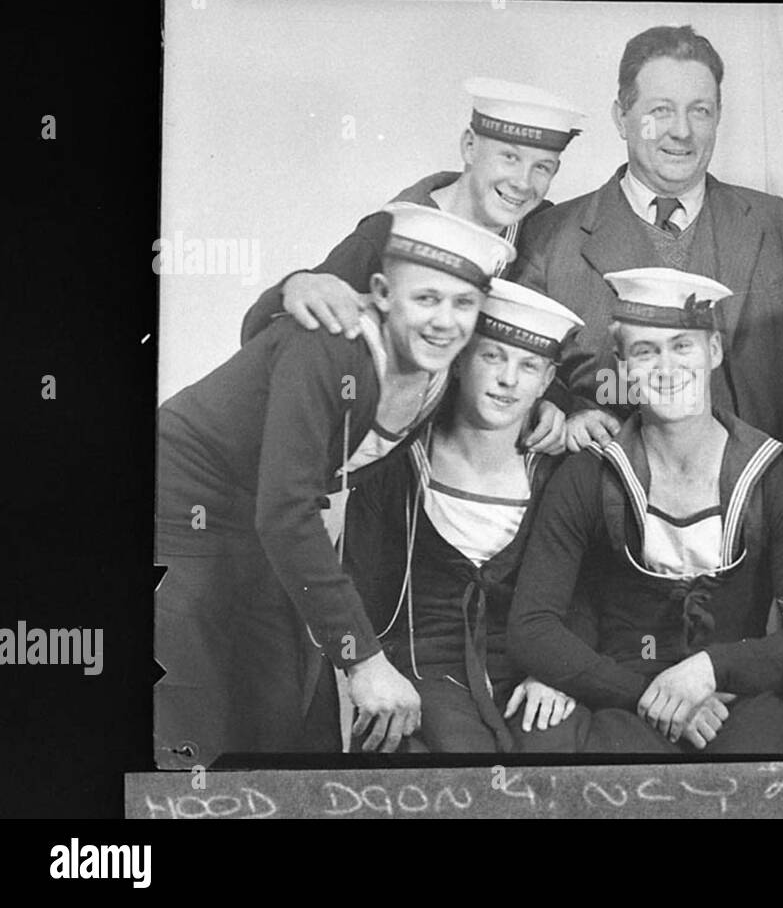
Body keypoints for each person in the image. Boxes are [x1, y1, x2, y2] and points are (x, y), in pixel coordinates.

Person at [154, 205, 514, 766]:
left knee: (286, 703)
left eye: (463, 304)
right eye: (426, 298)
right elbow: (286, 512)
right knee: (196, 701)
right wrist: (364, 661)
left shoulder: (439, 370)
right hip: (183, 502)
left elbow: (516, 371)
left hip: (265, 515)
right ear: (381, 293)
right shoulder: (332, 345)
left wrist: (564, 411)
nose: (445, 321)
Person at [507, 268, 783, 754]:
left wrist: (712, 670)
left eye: (682, 346)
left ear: (714, 351)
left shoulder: (771, 476)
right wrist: (648, 695)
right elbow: (531, 628)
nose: (667, 368)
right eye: (646, 352)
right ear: (622, 366)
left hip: (736, 695)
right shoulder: (590, 474)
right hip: (621, 697)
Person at [239, 78, 587, 453]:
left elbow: (538, 341)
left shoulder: (538, 232)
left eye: (542, 167)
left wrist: (553, 401)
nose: (522, 182)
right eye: (509, 157)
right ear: (470, 146)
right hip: (367, 448)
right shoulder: (389, 233)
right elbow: (273, 330)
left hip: (461, 449)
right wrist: (297, 284)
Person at [511, 25, 783, 448]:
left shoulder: (774, 221)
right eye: (661, 111)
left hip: (761, 480)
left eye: (700, 110)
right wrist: (566, 407)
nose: (682, 131)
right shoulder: (550, 237)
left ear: (718, 117)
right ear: (621, 118)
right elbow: (518, 365)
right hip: (614, 483)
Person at [336, 281, 587, 752]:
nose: (508, 379)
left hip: (533, 679)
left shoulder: (560, 475)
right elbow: (350, 589)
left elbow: (588, 594)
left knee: (559, 750)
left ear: (547, 380)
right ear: (459, 360)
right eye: (492, 356)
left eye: (528, 365)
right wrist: (367, 668)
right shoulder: (395, 466)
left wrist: (559, 673)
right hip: (419, 677)